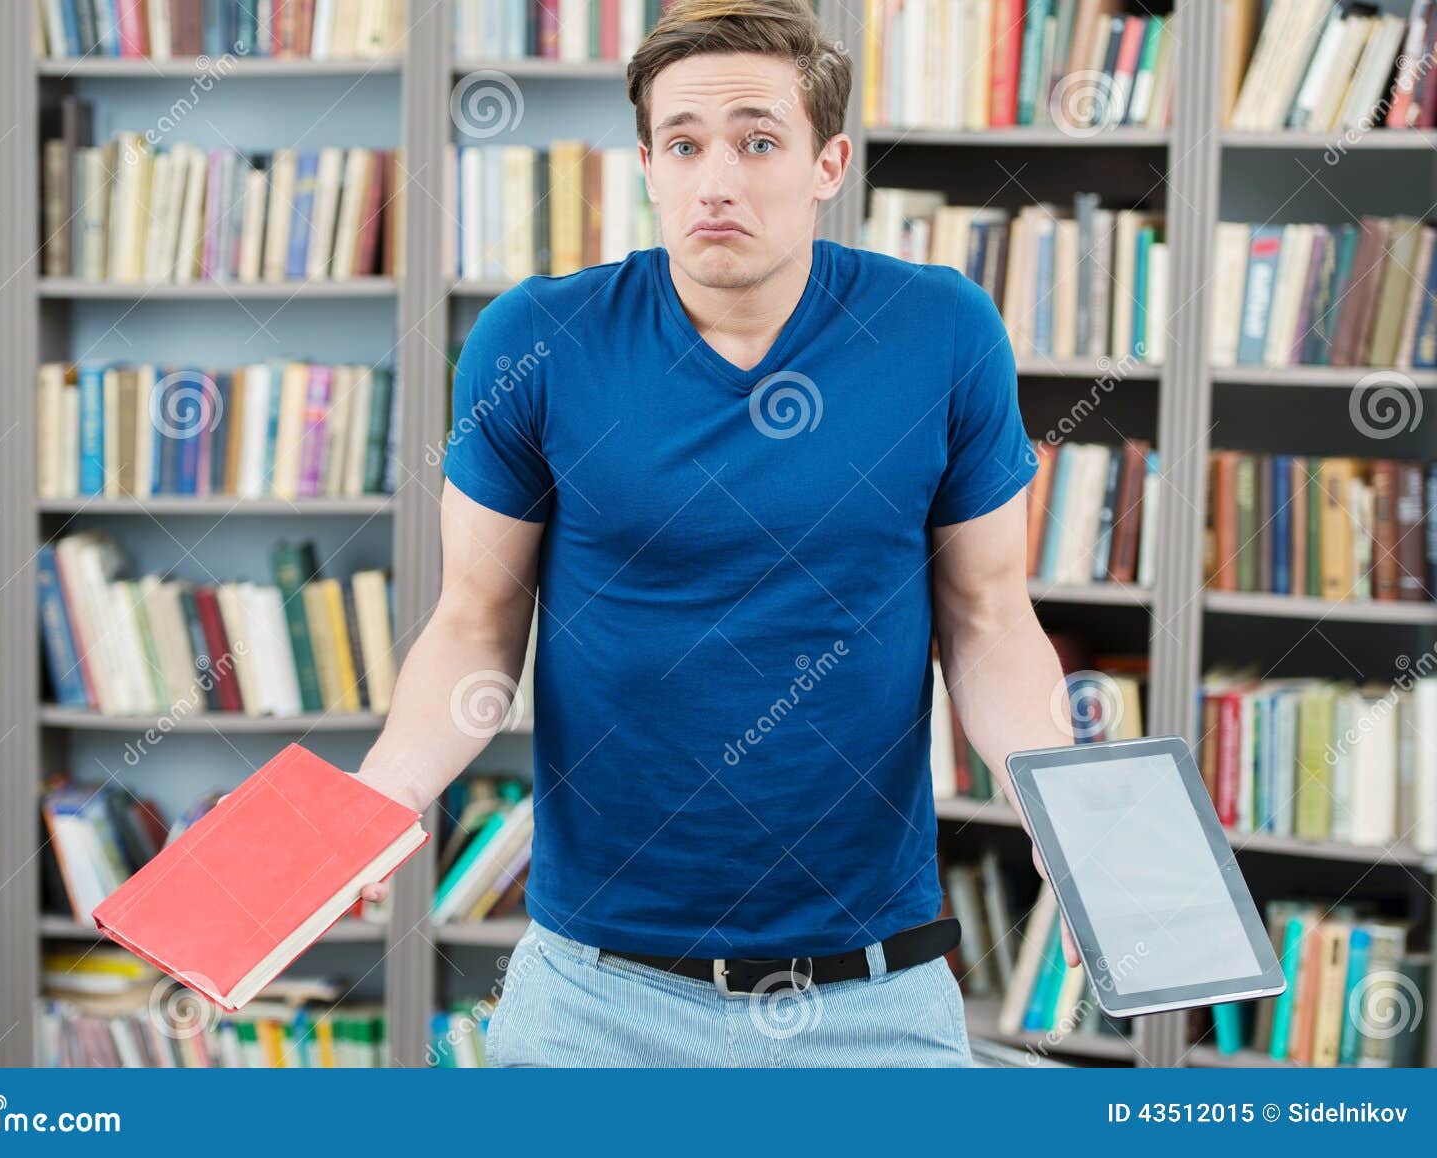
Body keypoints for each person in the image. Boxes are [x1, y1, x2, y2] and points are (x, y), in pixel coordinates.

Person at [354, 0, 1075, 1066]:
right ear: (646, 161)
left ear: (828, 162)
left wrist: (1064, 811)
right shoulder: (536, 339)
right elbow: (475, 619)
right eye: (684, 145)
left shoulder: (942, 330)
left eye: (757, 140)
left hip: (872, 990)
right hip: (592, 995)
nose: (716, 180)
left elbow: (987, 616)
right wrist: (386, 792)